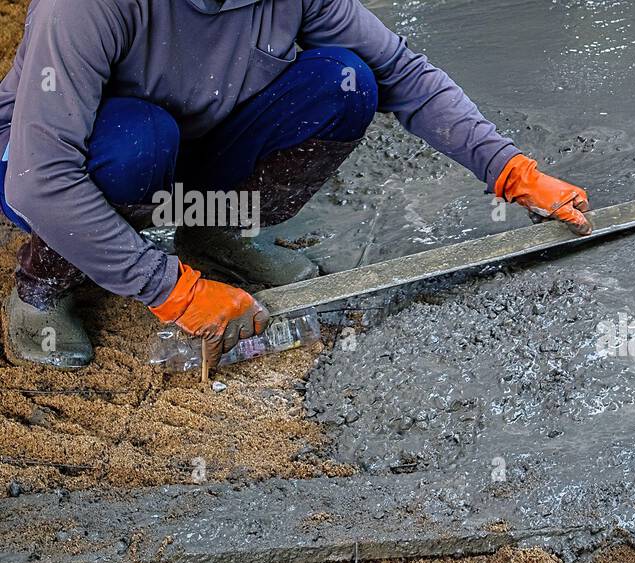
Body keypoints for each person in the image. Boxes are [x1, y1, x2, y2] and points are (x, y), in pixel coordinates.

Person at [0, 0, 592, 369]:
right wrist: (171, 291)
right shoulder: (85, 8)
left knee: (345, 82)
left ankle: (207, 228)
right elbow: (39, 179)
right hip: (50, 159)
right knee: (140, 140)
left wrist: (511, 170)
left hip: (184, 141)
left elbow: (401, 73)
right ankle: (40, 285)